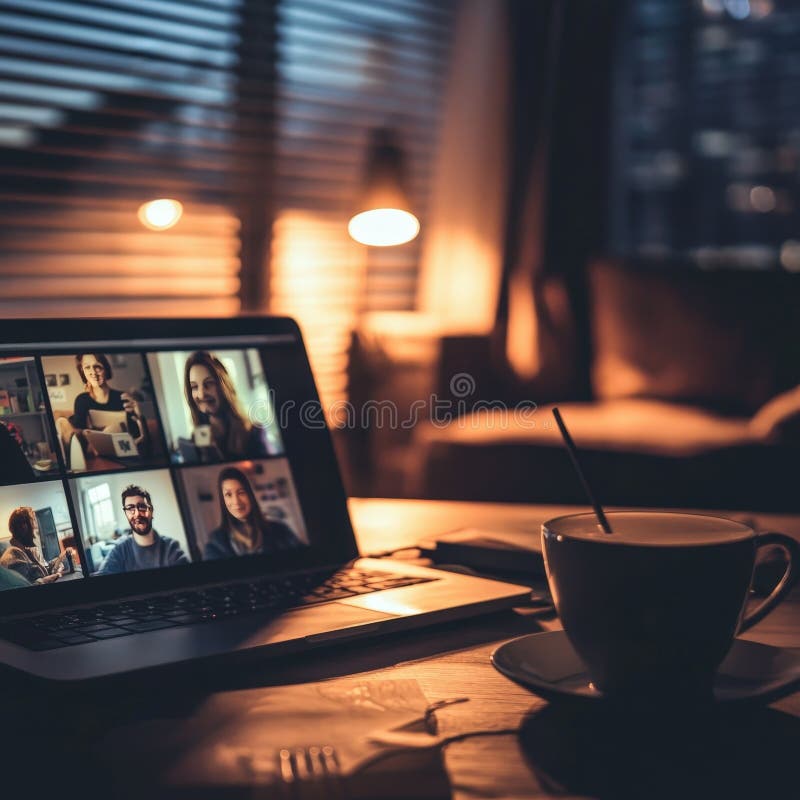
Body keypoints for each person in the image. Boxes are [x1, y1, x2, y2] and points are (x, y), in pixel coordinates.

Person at [56, 353, 150, 457]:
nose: (93, 372)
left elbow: (143, 443)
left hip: (124, 454)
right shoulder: (81, 400)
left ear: (105, 369)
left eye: (97, 367)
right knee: (62, 422)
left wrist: (139, 415)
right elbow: (79, 441)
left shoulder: (122, 398)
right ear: (82, 372)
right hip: (95, 457)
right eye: (87, 367)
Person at [183, 351, 267, 462]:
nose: (201, 394)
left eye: (209, 383)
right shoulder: (196, 438)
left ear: (224, 387)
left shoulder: (253, 432)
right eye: (194, 387)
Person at [204, 466, 299, 560]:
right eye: (228, 495)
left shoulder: (281, 532)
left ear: (250, 495)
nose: (236, 501)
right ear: (223, 500)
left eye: (241, 492)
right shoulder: (215, 545)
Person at [98, 485, 189, 575]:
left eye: (142, 507)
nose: (137, 514)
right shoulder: (119, 552)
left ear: (151, 511)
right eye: (130, 508)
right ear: (126, 514)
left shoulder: (171, 547)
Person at [0, 507, 66, 585]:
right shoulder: (14, 555)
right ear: (23, 527)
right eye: (33, 528)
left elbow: (44, 567)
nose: (35, 535)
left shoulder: (27, 550)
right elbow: (25, 587)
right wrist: (47, 580)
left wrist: (59, 561)